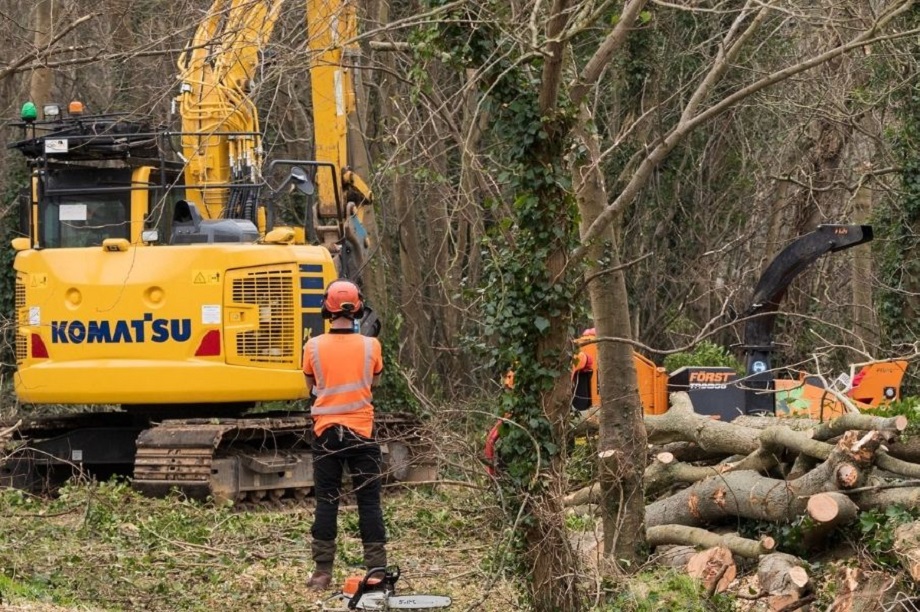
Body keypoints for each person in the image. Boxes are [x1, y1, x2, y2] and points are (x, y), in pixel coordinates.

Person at [302, 279, 386, 590]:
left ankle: (322, 573)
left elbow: (309, 386)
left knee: (326, 500)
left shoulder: (312, 347)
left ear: (327, 308)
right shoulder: (371, 346)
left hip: (326, 434)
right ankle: (376, 571)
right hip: (362, 433)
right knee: (369, 503)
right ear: (358, 308)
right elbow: (373, 384)